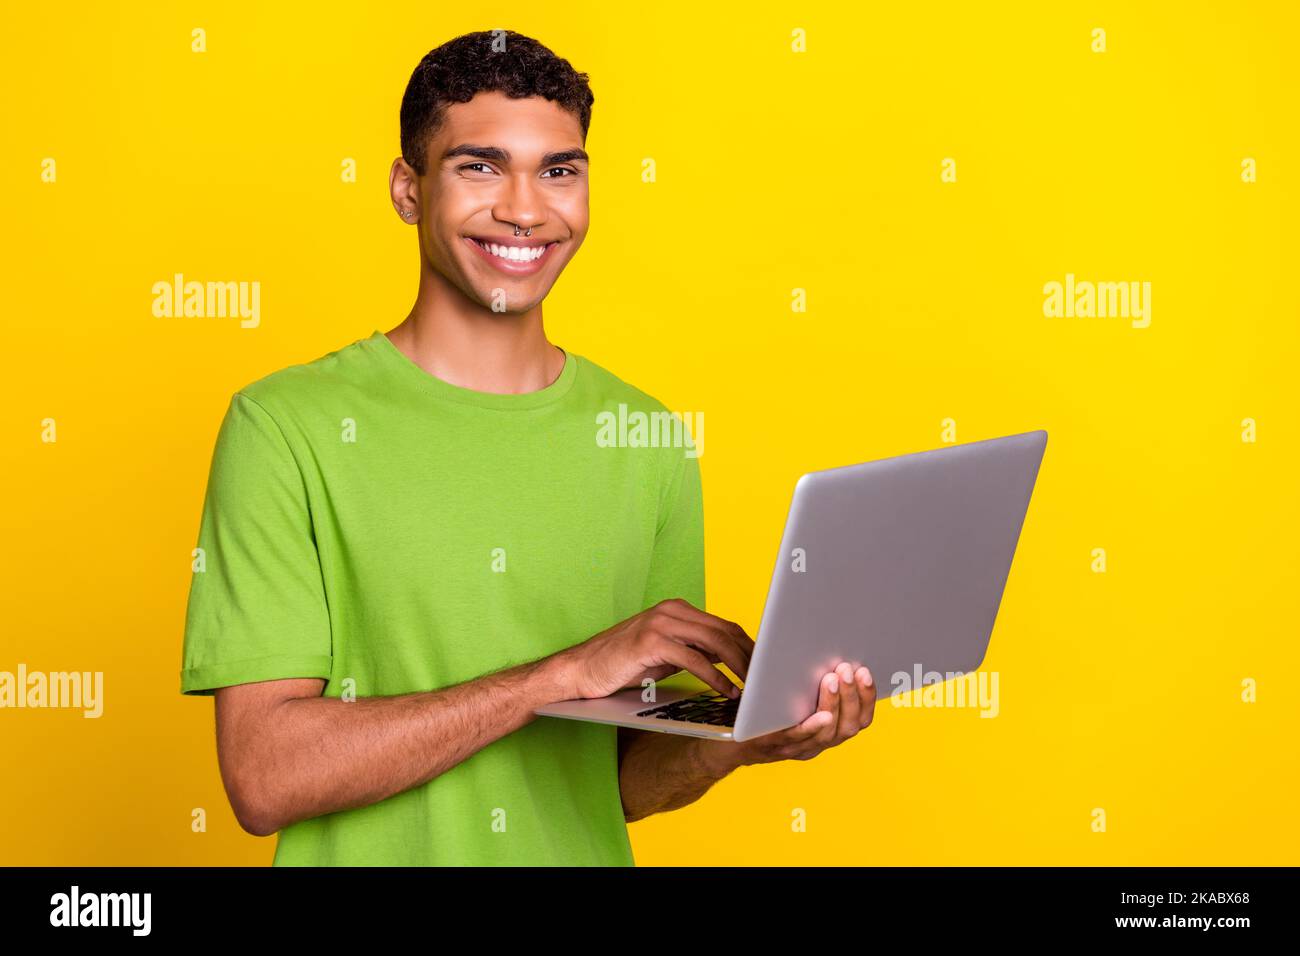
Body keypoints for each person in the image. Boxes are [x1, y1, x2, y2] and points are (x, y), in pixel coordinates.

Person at [180, 29, 876, 866]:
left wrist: (739, 741)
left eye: (559, 170)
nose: (525, 208)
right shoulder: (284, 427)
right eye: (480, 166)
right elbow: (265, 776)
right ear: (409, 189)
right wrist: (558, 677)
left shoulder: (647, 437)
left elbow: (616, 778)